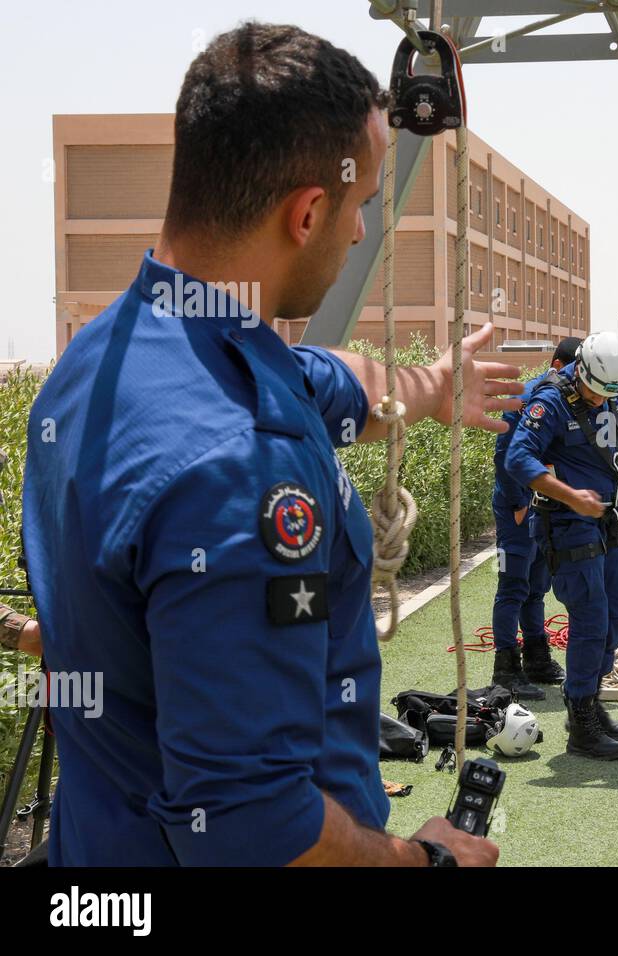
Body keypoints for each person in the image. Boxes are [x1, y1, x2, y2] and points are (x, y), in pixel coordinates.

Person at [21, 23, 517, 867]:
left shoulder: (100, 361)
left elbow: (320, 377)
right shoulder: (239, 465)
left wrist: (429, 390)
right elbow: (255, 827)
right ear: (309, 212)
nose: (360, 234)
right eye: (358, 209)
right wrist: (424, 860)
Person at [504, 331, 618, 760]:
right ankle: (582, 724)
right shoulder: (547, 401)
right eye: (593, 391)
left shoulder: (607, 395)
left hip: (604, 518)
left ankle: (585, 698)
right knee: (591, 618)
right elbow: (517, 458)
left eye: (608, 395)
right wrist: (572, 496)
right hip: (566, 523)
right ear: (580, 370)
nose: (598, 400)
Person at [489, 337, 581, 699]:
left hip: (545, 508)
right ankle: (505, 668)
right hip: (519, 507)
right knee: (513, 585)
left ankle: (536, 658)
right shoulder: (529, 397)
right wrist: (517, 502)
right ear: (559, 365)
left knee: (537, 585)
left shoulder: (570, 400)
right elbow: (504, 453)